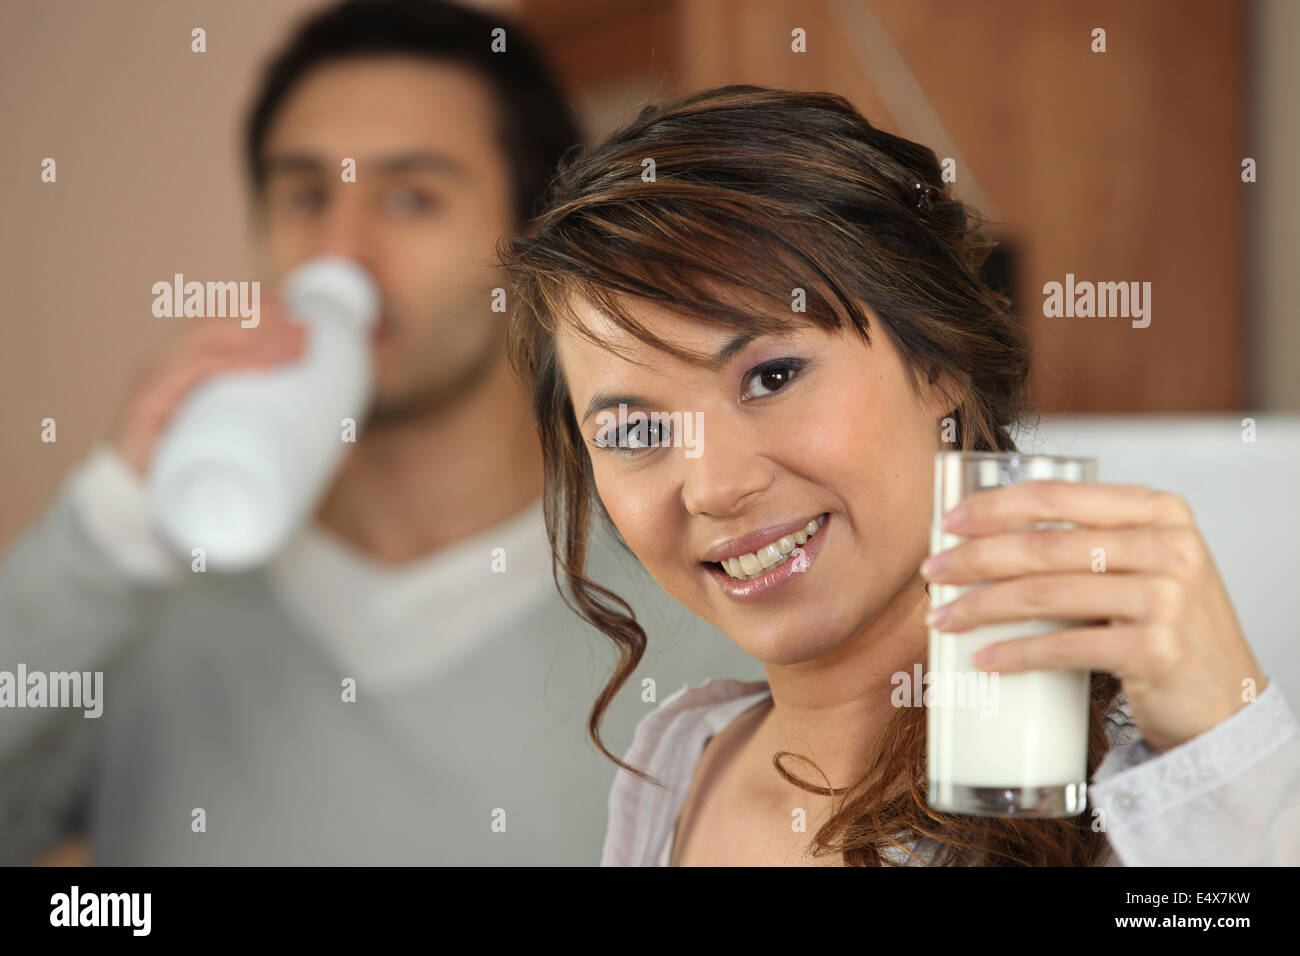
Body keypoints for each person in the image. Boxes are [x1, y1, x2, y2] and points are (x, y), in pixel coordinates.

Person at [0, 0, 755, 865]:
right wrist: (109, 523)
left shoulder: (703, 616)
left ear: (535, 245)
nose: (340, 254)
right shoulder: (143, 594)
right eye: (306, 195)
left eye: (410, 197)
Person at [500, 85, 1300, 866]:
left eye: (773, 376)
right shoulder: (684, 759)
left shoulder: (1147, 812)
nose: (714, 487)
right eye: (637, 430)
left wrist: (1223, 760)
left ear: (938, 364)